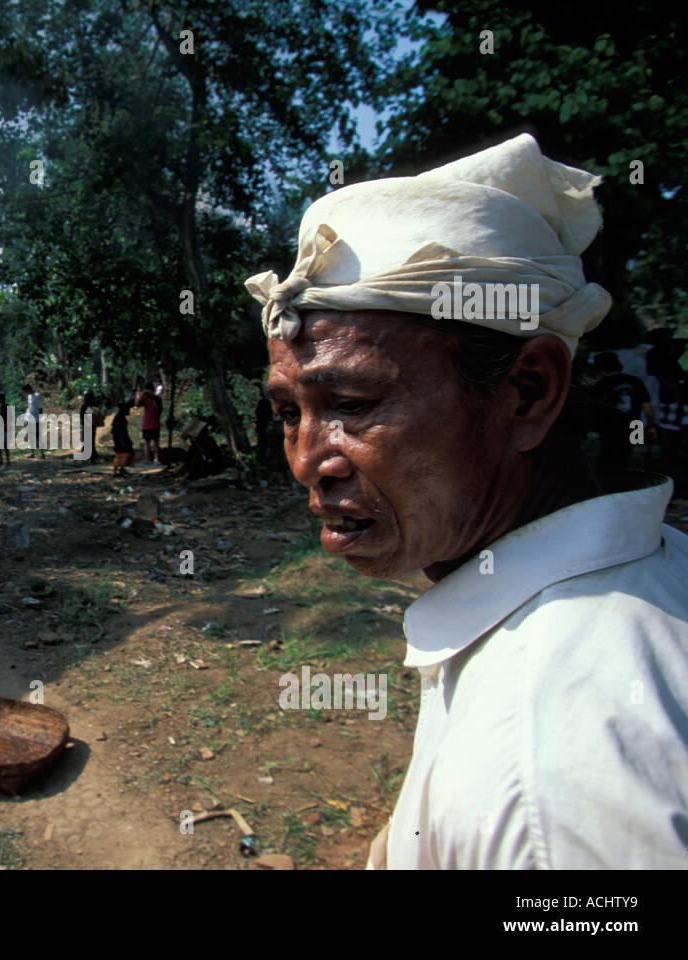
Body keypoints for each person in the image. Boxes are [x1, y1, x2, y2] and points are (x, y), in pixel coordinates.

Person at [247, 133, 688, 869]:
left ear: (527, 392)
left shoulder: (547, 778)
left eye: (353, 403)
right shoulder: (648, 577)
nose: (305, 463)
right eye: (290, 412)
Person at [591, 351, 658, 485]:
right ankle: (628, 481)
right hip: (636, 425)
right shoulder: (635, 381)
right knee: (632, 456)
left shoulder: (600, 385)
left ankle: (612, 484)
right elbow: (647, 406)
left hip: (611, 427)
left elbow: (594, 409)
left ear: (600, 369)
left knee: (608, 458)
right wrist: (652, 425)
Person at [135, 383, 162, 466]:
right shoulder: (145, 399)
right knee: (147, 442)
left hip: (155, 423)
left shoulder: (157, 398)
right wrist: (142, 394)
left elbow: (158, 408)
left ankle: (156, 459)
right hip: (146, 424)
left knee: (155, 442)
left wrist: (152, 396)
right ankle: (147, 459)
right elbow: (137, 404)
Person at [111, 401, 134, 476]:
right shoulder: (119, 418)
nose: (129, 411)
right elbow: (117, 431)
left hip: (122, 438)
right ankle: (115, 471)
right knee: (120, 454)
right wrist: (122, 441)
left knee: (124, 453)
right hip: (120, 439)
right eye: (127, 409)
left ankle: (121, 469)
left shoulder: (121, 417)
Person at [80, 391, 103, 463]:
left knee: (86, 441)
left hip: (86, 426)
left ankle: (86, 455)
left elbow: (81, 416)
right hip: (92, 426)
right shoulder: (95, 406)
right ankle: (92, 456)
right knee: (91, 440)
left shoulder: (85, 406)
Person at [22, 383, 44, 458]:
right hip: (29, 418)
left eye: (26, 391)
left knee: (38, 437)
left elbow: (40, 408)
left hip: (36, 419)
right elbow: (30, 407)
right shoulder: (29, 396)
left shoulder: (37, 395)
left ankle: (42, 454)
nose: (26, 393)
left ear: (29, 389)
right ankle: (32, 453)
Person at [0, 392, 12, 468]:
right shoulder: (3, 406)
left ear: (1, 399)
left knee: (4, 446)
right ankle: (3, 461)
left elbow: (9, 418)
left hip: (5, 429)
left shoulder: (6, 407)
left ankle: (6, 461)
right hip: (3, 429)